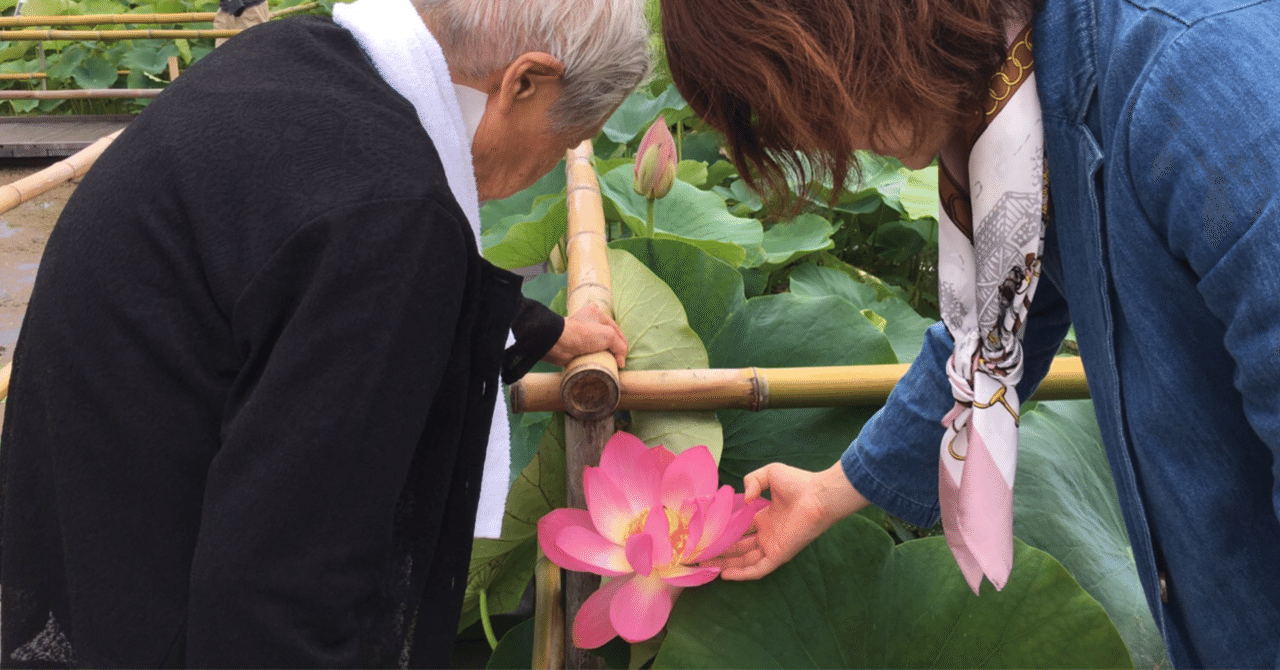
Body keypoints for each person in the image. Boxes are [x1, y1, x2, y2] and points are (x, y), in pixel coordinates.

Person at [0, 0, 648, 666]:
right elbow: (284, 592)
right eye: (565, 139)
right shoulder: (392, 216)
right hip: (173, 614)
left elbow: (281, 253)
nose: (548, 167)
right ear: (525, 82)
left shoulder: (301, 63)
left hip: (88, 551)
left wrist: (532, 330)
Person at [660, 0, 1280, 667]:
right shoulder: (1024, 94)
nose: (823, 138)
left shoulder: (1192, 75)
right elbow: (1000, 319)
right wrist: (830, 491)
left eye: (805, 96)